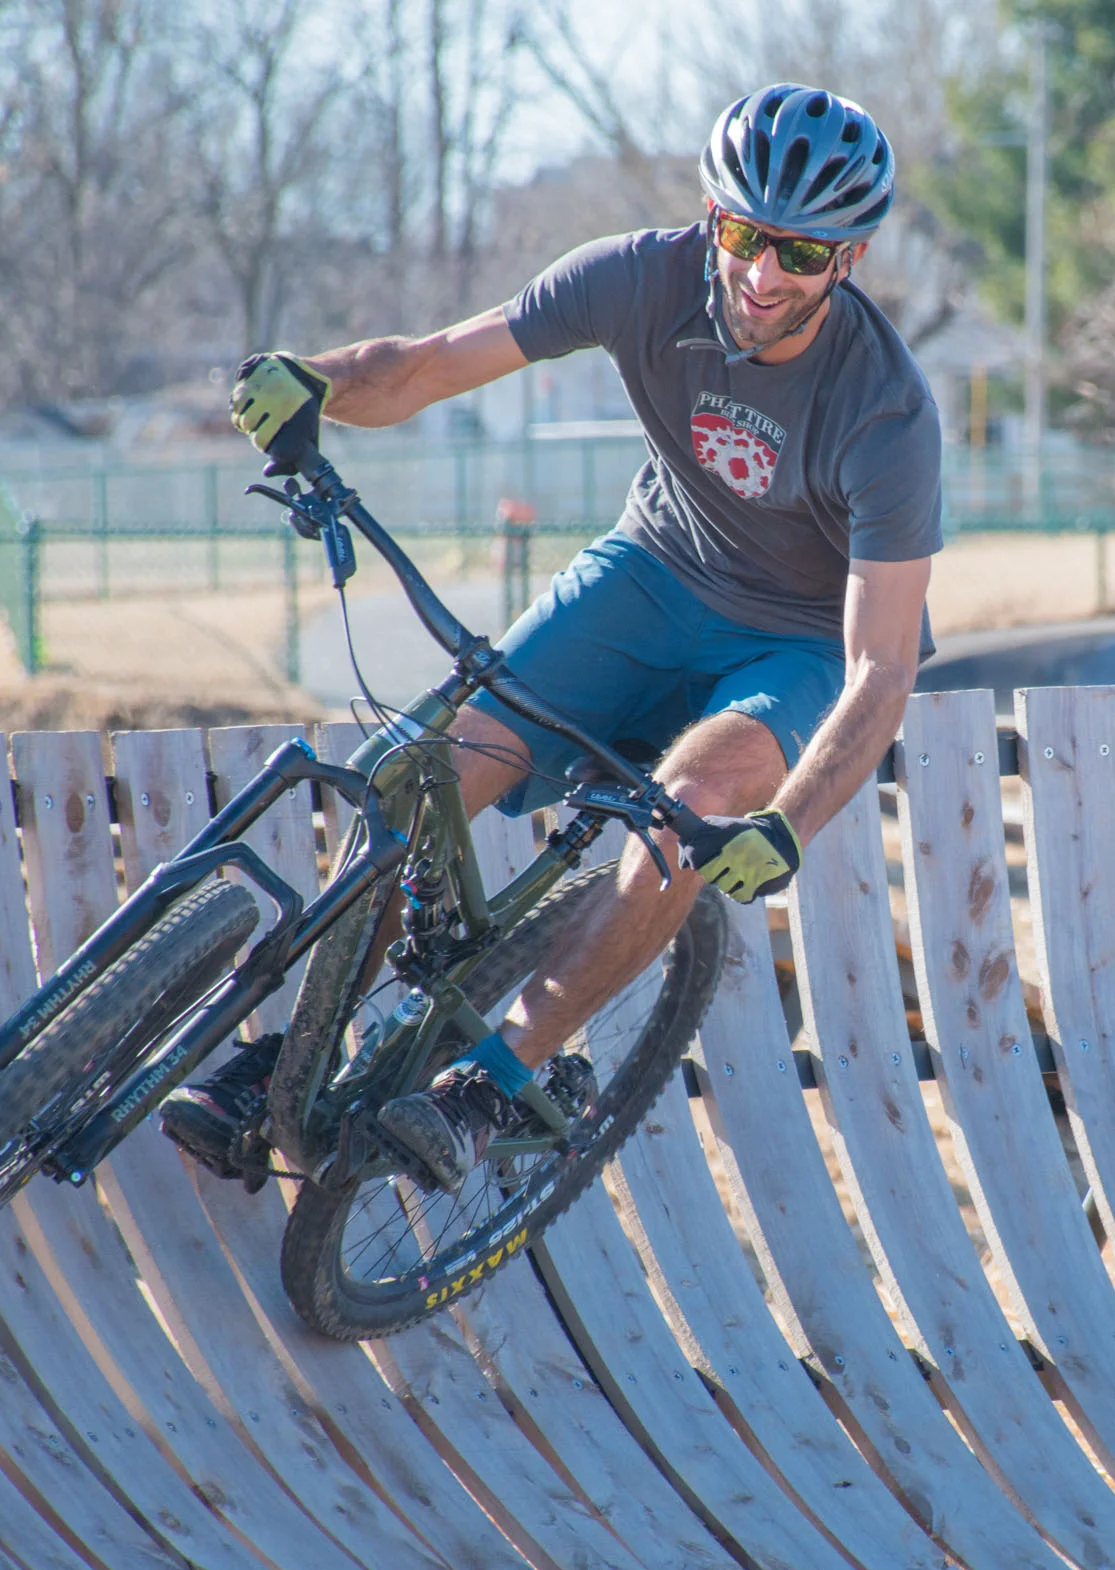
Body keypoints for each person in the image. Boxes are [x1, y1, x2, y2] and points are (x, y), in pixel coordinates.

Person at [162, 83, 943, 1192]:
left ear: (848, 260)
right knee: (421, 777)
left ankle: (496, 1077)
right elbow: (427, 363)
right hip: (653, 570)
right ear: (711, 217)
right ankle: (290, 1059)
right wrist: (316, 381)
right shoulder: (636, 278)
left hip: (798, 639)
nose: (763, 274)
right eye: (743, 236)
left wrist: (792, 821)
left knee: (692, 806)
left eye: (802, 254)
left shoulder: (888, 414)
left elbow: (880, 665)